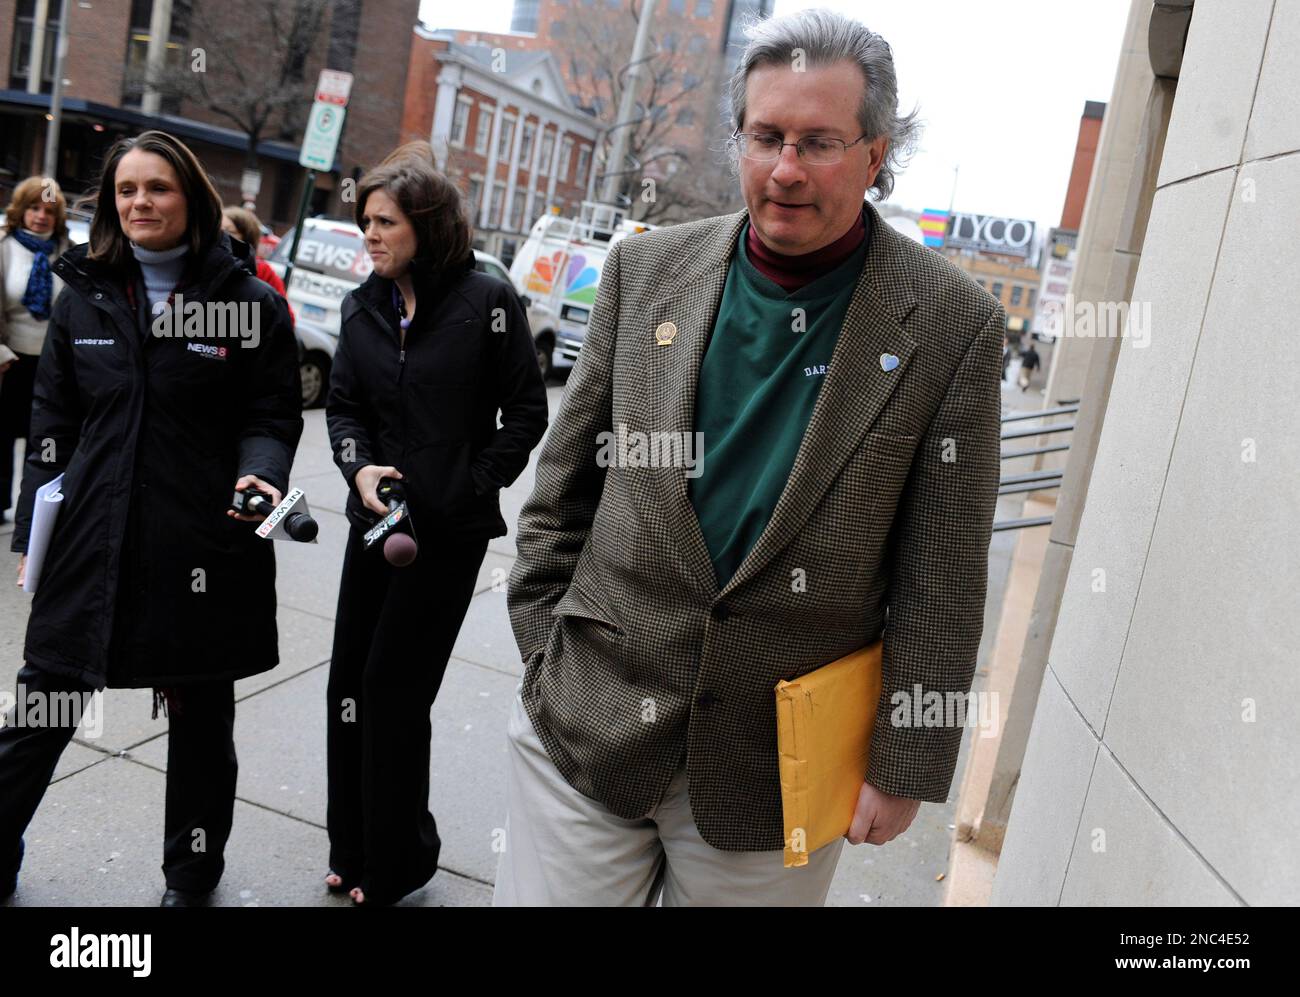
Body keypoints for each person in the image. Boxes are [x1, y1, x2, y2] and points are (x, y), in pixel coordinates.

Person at [495, 7, 1004, 906]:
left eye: (818, 141)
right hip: (588, 722)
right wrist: (550, 659)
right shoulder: (645, 270)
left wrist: (905, 761)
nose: (785, 169)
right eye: (765, 135)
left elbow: (944, 572)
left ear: (877, 155)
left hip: (780, 770)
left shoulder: (953, 325)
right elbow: (559, 496)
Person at [0, 130, 303, 906]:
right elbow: (53, 418)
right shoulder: (86, 297)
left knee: (202, 724)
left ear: (191, 198)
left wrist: (260, 472)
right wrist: (40, 519)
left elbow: (271, 413)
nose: (140, 202)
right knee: (42, 703)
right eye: (126, 189)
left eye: (157, 188)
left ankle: (190, 879)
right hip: (90, 542)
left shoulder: (247, 304)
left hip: (200, 546)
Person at [324, 142, 547, 906]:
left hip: (445, 538)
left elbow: (526, 412)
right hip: (374, 525)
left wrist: (468, 486)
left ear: (425, 222)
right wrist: (358, 468)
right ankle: (350, 849)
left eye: (385, 221)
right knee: (349, 685)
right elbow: (345, 406)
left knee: (392, 689)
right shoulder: (362, 308)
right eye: (366, 224)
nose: (372, 236)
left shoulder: (487, 301)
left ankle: (397, 861)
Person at [0, 176, 70, 524]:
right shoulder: (4, 246)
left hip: (51, 363)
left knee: (42, 437)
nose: (41, 216)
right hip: (7, 358)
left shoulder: (66, 253)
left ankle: (34, 510)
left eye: (49, 210)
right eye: (34, 208)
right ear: (21, 210)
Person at [220, 205, 292, 309]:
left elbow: (283, 316)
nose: (221, 236)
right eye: (218, 229)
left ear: (246, 237)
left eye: (229, 232)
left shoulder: (263, 271)